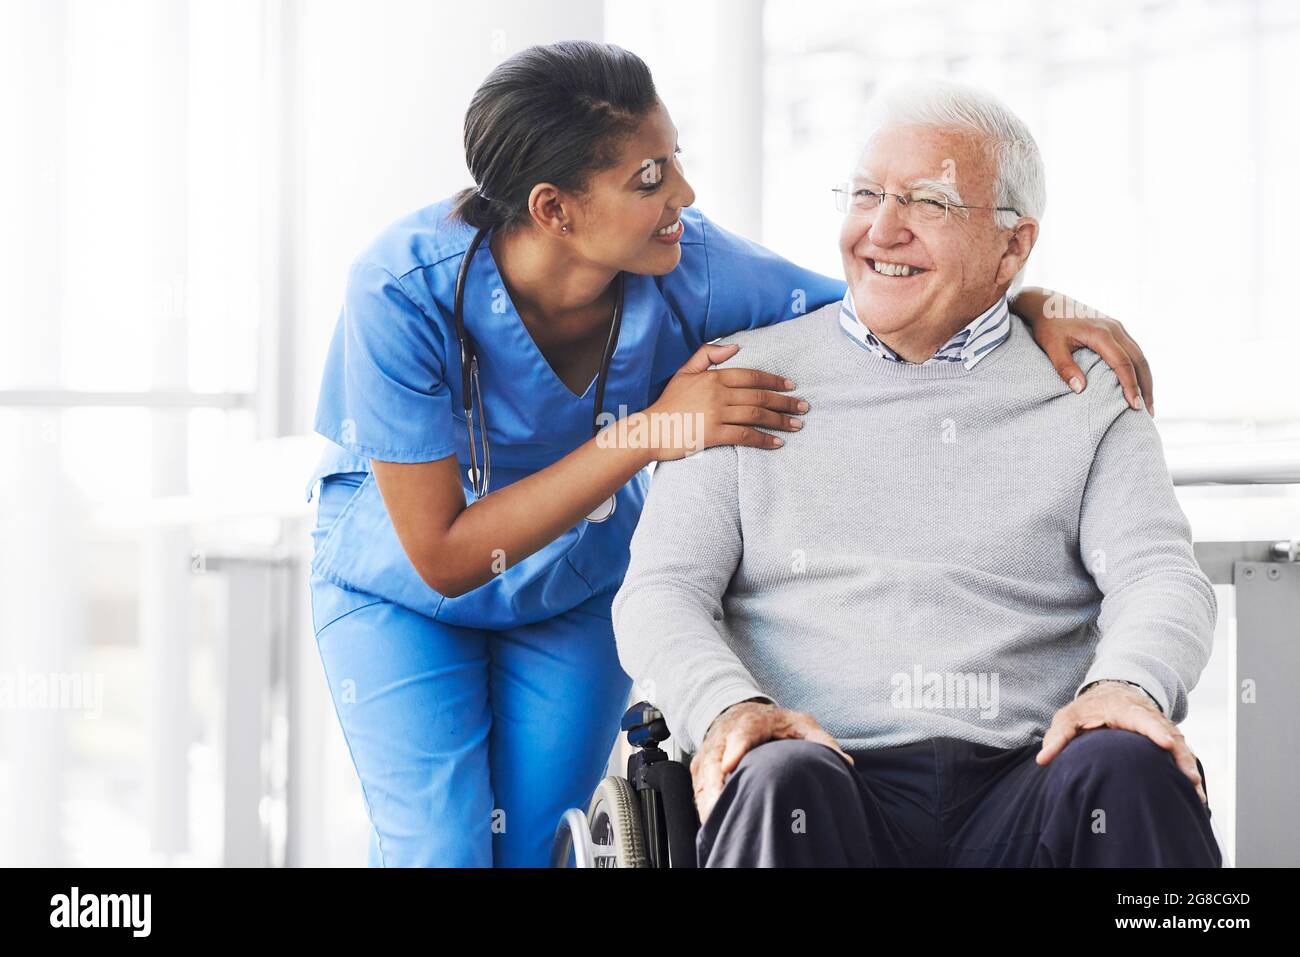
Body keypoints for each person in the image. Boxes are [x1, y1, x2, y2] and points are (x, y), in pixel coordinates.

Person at [308, 42, 1156, 867]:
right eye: (649, 178)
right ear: (553, 209)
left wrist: (1032, 295)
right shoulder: (401, 292)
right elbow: (447, 557)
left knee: (539, 844)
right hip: (407, 591)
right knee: (440, 847)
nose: (685, 192)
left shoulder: (693, 262)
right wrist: (654, 430)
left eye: (674, 158)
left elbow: (895, 296)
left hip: (568, 582)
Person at [612, 79, 1220, 867]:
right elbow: (660, 594)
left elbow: (1161, 576)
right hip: (821, 773)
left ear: (1013, 246)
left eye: (928, 202)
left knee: (1126, 761)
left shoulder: (1086, 390)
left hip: (1028, 775)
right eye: (866, 193)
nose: (881, 228)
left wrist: (1128, 686)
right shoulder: (741, 379)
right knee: (775, 776)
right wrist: (730, 707)